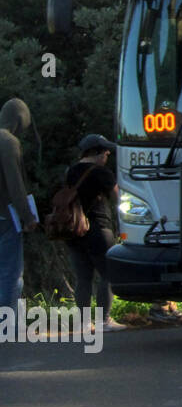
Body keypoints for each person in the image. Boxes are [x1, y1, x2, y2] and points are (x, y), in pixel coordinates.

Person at [65, 134, 126, 331]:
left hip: (73, 231)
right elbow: (119, 197)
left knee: (83, 278)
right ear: (96, 152)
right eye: (105, 150)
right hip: (99, 229)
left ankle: (83, 323)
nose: (108, 153)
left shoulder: (70, 172)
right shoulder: (101, 172)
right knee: (108, 275)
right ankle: (104, 321)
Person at [0, 97, 41, 314]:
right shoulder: (8, 143)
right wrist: (28, 217)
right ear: (19, 121)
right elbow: (15, 185)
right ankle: (5, 327)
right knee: (10, 273)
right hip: (5, 217)